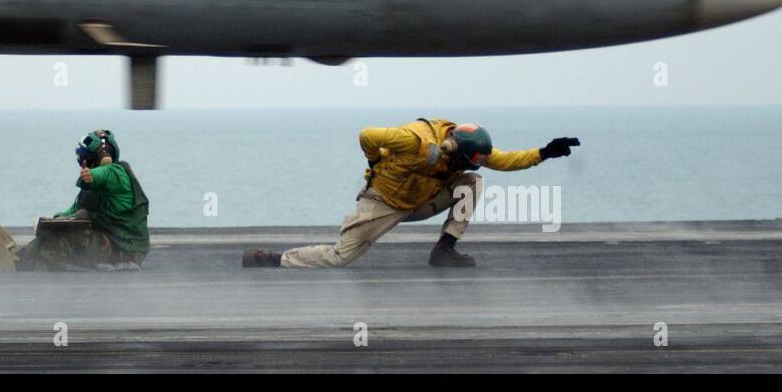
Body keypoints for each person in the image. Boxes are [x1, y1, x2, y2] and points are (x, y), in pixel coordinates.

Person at [243, 119, 578, 269]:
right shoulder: (414, 140)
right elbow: (366, 135)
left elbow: (502, 161)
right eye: (465, 163)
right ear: (455, 150)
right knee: (339, 258)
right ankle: (274, 259)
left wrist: (544, 152)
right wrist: (374, 161)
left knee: (472, 184)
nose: (467, 166)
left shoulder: (466, 149)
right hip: (383, 203)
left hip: (420, 200)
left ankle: (444, 250)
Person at [17, 129, 151, 271]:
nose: (81, 163)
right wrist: (56, 220)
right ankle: (19, 261)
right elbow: (74, 211)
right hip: (109, 242)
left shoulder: (118, 174)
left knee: (66, 235)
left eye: (83, 159)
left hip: (125, 248)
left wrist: (91, 174)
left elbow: (105, 173)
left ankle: (47, 270)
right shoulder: (92, 190)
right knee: (52, 233)